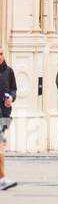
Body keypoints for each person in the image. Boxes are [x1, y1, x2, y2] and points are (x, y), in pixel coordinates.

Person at [0, 47, 16, 190]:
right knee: (0, 146)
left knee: (1, 146)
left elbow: (14, 89)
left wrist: (11, 97)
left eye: (1, 53)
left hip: (5, 114)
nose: (0, 56)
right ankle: (2, 178)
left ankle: (2, 178)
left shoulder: (9, 71)